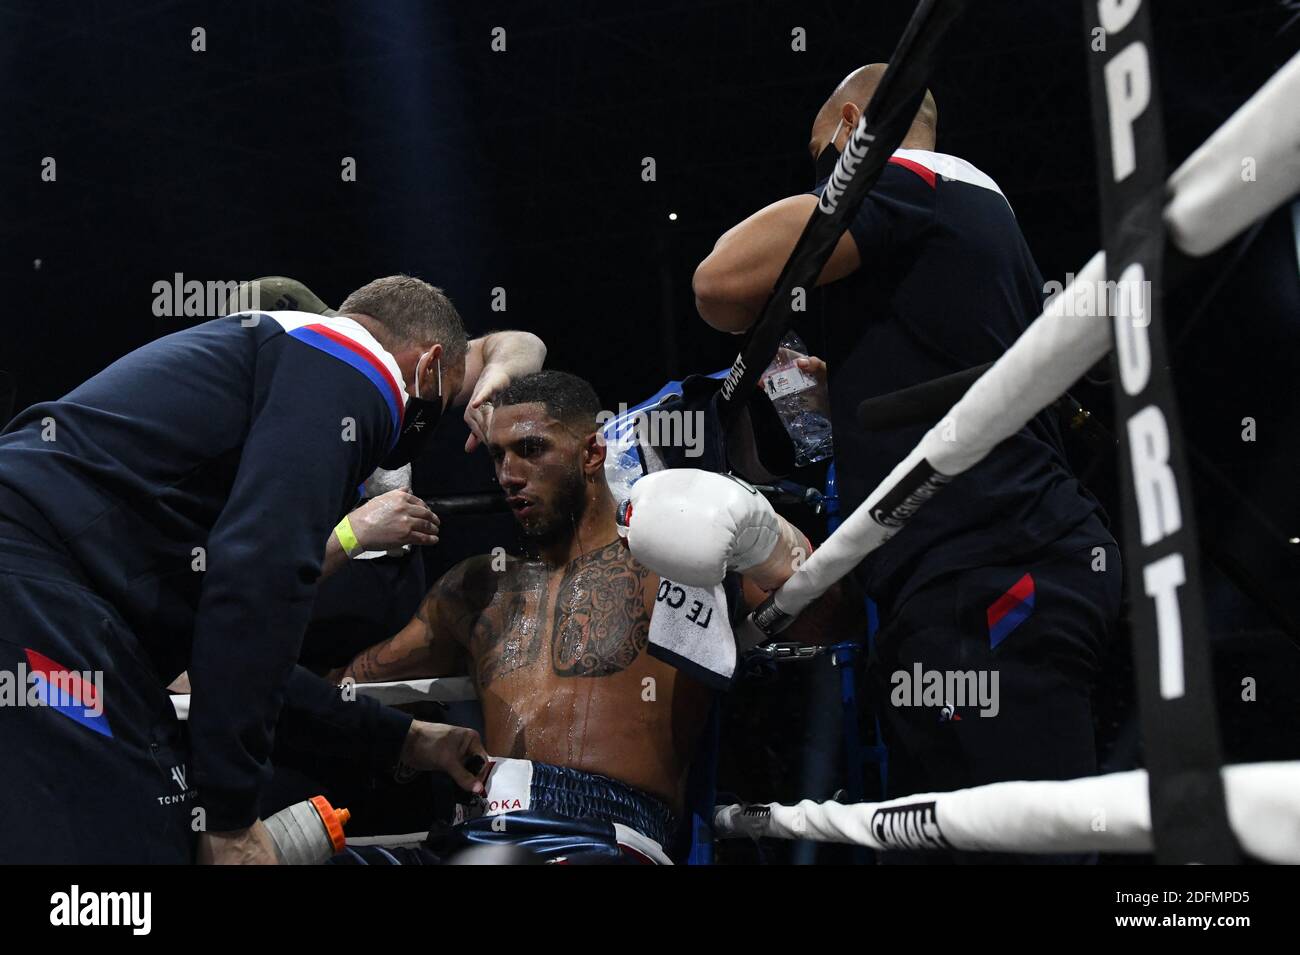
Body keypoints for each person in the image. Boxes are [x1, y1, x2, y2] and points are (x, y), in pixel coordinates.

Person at [692, 65, 1122, 863]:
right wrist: (845, 403)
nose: (819, 188)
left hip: (1002, 564)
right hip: (970, 570)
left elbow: (718, 283)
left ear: (855, 127)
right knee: (967, 838)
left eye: (823, 163)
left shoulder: (917, 176)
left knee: (1028, 848)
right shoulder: (954, 221)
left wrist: (847, 171)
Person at [0, 274, 545, 863]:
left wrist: (402, 738)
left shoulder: (269, 371)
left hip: (64, 598)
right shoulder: (355, 363)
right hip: (33, 583)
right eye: (448, 398)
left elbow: (236, 651)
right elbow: (262, 576)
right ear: (428, 362)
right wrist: (232, 820)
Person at [329, 370, 834, 863]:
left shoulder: (674, 561)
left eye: (530, 449)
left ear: (592, 453)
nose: (508, 475)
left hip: (603, 835)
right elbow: (347, 687)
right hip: (473, 830)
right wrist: (342, 542)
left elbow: (833, 623)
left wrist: (774, 545)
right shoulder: (477, 586)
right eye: (497, 455)